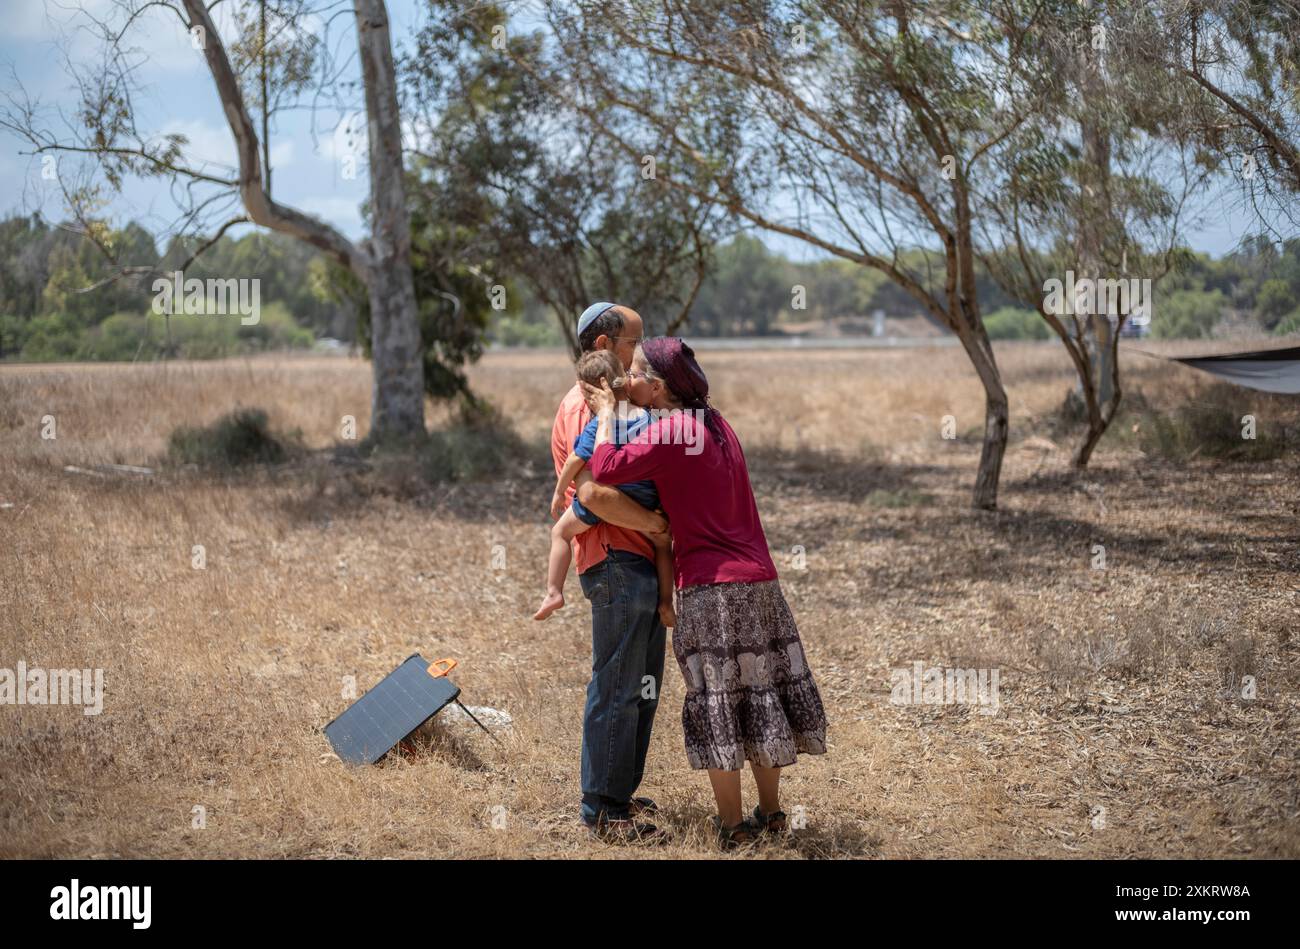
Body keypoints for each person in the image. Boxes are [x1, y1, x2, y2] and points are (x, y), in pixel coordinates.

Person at [582, 337, 829, 849]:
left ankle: (733, 827)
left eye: (638, 371)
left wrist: (606, 411)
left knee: (718, 700)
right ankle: (773, 813)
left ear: (659, 385)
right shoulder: (718, 425)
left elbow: (604, 469)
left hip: (712, 588)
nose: (631, 377)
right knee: (760, 693)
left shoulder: (670, 431)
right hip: (761, 581)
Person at [550, 302, 671, 843]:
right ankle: (602, 808)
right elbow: (595, 495)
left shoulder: (620, 406)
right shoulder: (588, 409)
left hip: (637, 560)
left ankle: (617, 792)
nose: (638, 354)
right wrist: (654, 523)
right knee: (618, 687)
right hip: (616, 561)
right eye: (631, 345)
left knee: (641, 688)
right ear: (603, 347)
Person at [536, 349, 675, 628]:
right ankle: (666, 603)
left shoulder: (601, 421)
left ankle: (554, 592)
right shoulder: (649, 417)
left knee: (560, 533)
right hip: (647, 499)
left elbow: (577, 460)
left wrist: (557, 491)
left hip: (607, 501)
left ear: (591, 393)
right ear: (623, 379)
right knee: (662, 545)